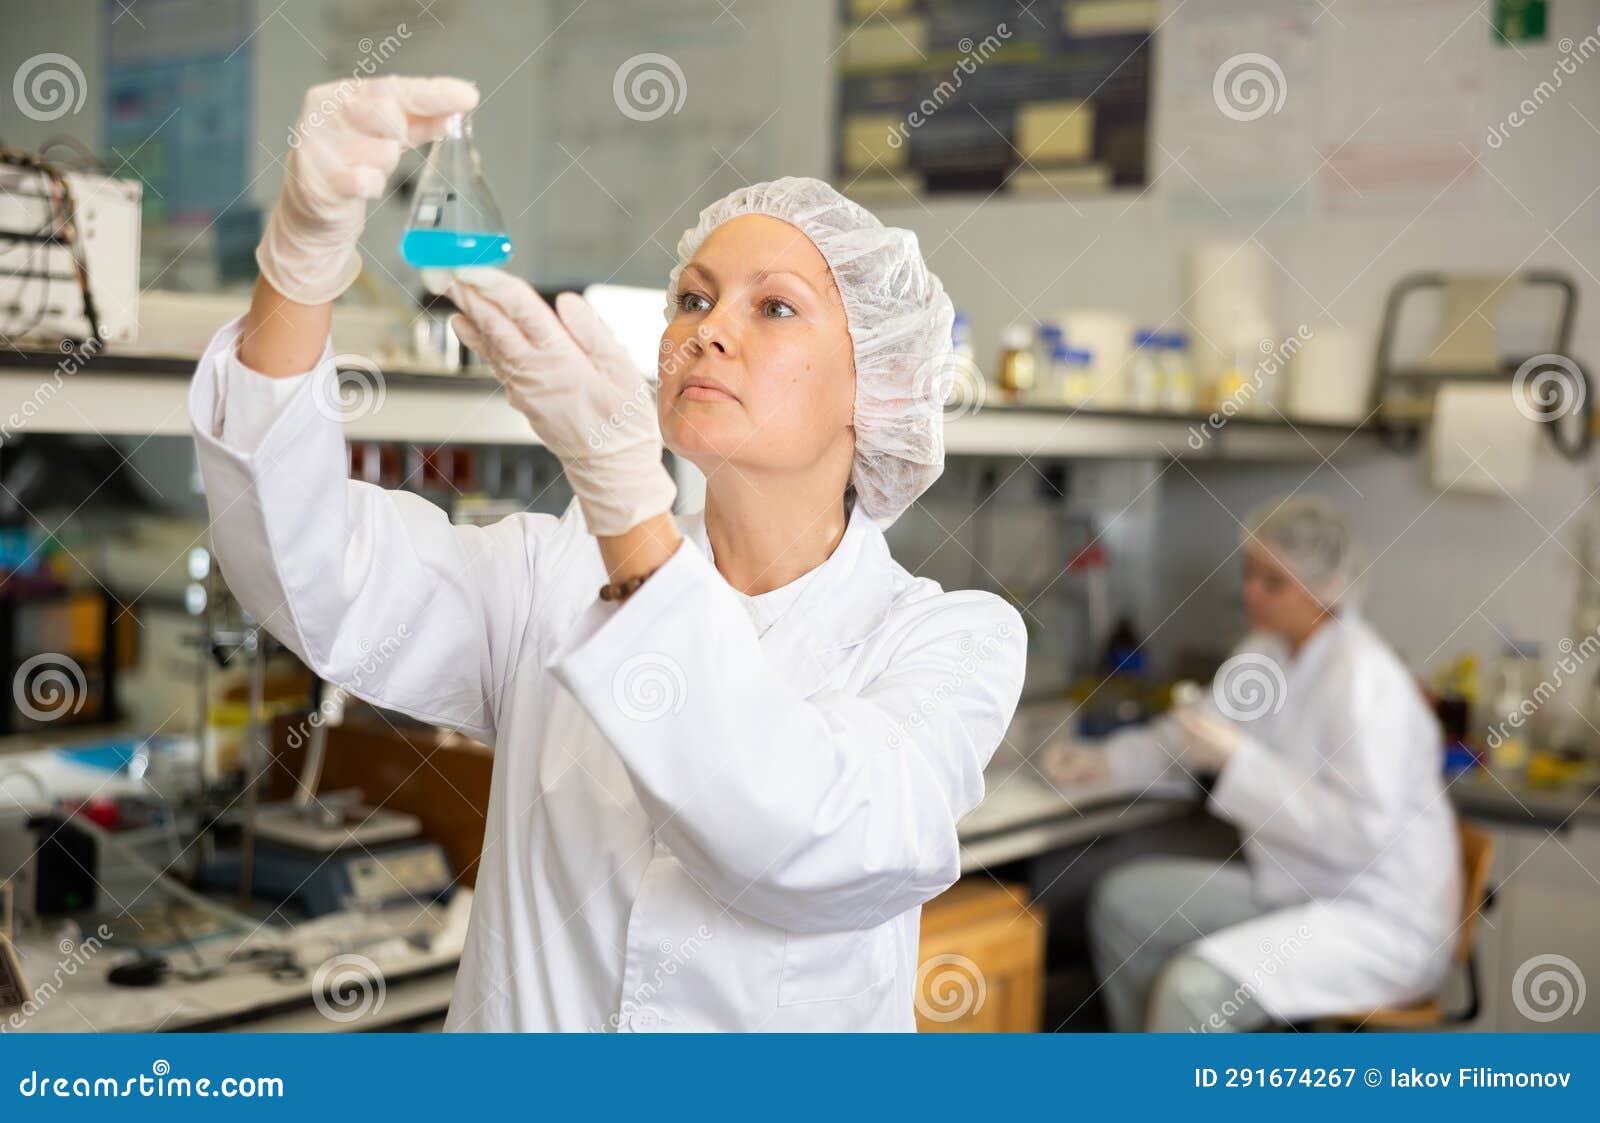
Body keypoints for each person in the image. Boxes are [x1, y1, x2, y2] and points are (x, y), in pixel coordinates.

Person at [188, 77, 1026, 1031]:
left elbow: (811, 840)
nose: (707, 327)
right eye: (694, 297)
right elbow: (302, 565)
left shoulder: (950, 641)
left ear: (877, 383)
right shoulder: (552, 576)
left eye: (776, 308)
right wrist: (301, 255)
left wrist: (624, 492)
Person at [1046, 497, 1461, 1031]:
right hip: (1298, 886)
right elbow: (1192, 735)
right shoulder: (1266, 652)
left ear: (1324, 589)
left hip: (1379, 917)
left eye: (1273, 582)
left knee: (1193, 991)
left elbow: (1361, 833)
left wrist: (1241, 761)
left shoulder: (1367, 682)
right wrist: (1104, 761)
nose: (1250, 592)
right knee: (1126, 906)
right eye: (1249, 574)